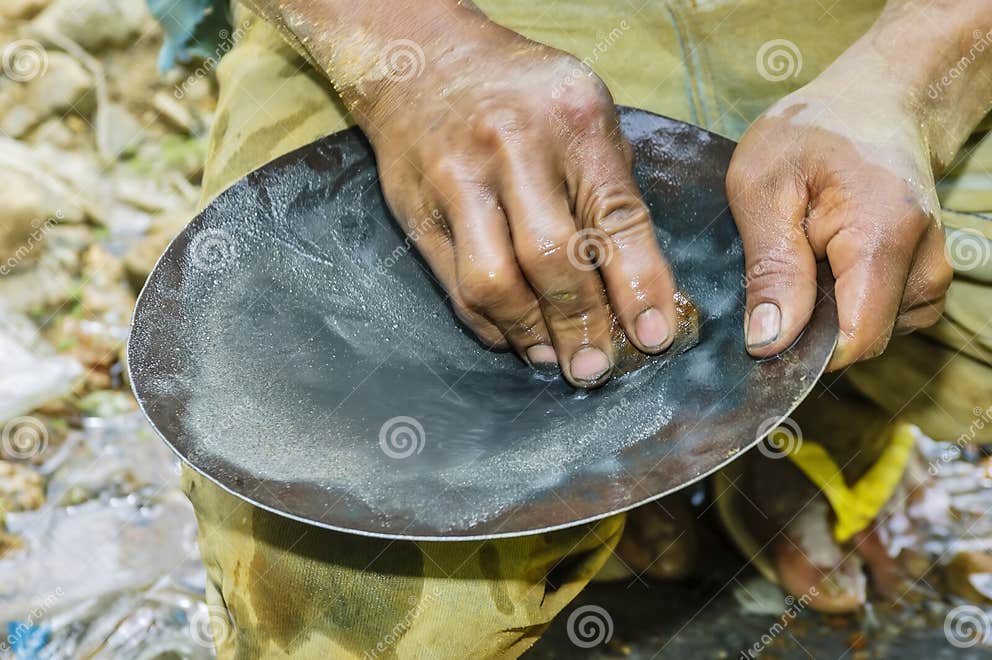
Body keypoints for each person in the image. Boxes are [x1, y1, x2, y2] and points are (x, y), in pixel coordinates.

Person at [176, 0, 992, 656]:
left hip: (859, 24)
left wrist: (917, 77)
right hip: (448, 20)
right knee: (347, 592)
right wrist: (411, 49)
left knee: (872, 272)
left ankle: (808, 424)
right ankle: (626, 481)